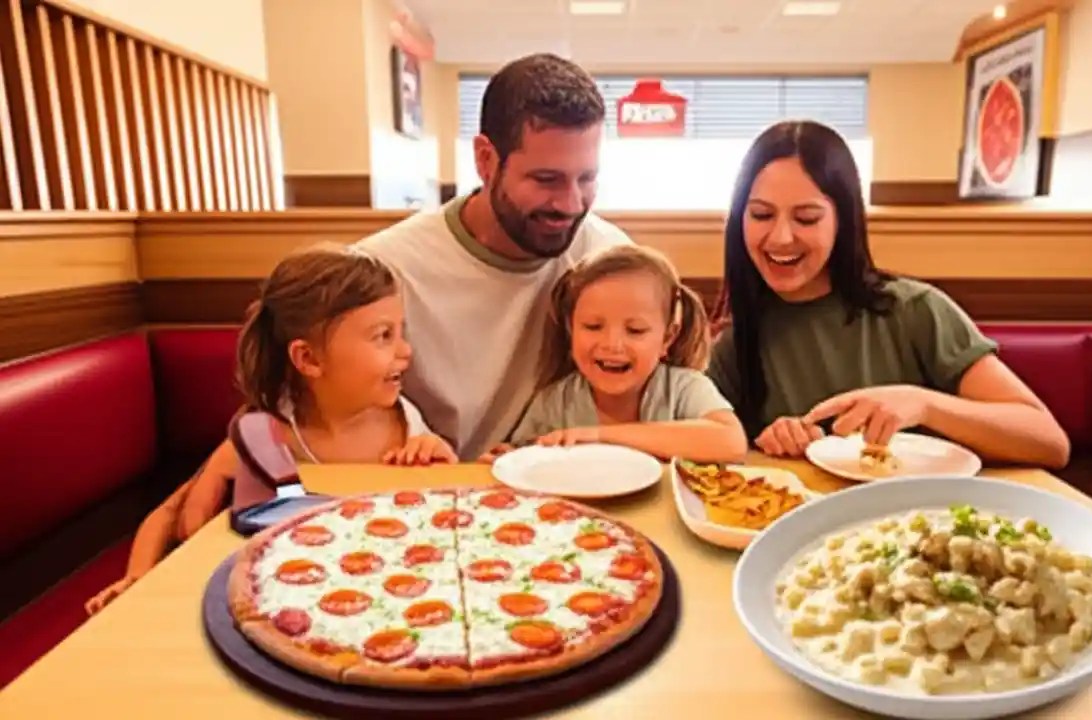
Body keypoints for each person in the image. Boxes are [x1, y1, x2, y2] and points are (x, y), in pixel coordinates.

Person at [86, 245, 456, 614]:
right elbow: (171, 514)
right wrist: (136, 581)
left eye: (400, 332)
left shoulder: (405, 421)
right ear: (309, 359)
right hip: (293, 598)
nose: (405, 350)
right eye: (382, 336)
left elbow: (443, 510)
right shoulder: (268, 435)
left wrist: (439, 456)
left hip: (384, 590)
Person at [707, 120, 1070, 469]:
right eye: (761, 214)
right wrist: (770, 442)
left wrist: (925, 404)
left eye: (806, 218)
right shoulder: (735, 341)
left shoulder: (914, 310)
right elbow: (705, 454)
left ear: (843, 220)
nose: (781, 237)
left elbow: (1048, 441)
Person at [356, 52, 631, 461]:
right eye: (546, 179)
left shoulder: (609, 259)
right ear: (486, 160)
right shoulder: (385, 269)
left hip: (566, 489)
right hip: (433, 493)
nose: (571, 204)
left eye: (587, 178)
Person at [487, 245, 748, 463]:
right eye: (593, 327)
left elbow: (731, 442)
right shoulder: (554, 403)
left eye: (635, 330)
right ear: (570, 328)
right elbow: (523, 461)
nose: (612, 344)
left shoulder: (684, 389)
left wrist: (601, 436)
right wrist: (505, 458)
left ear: (668, 337)